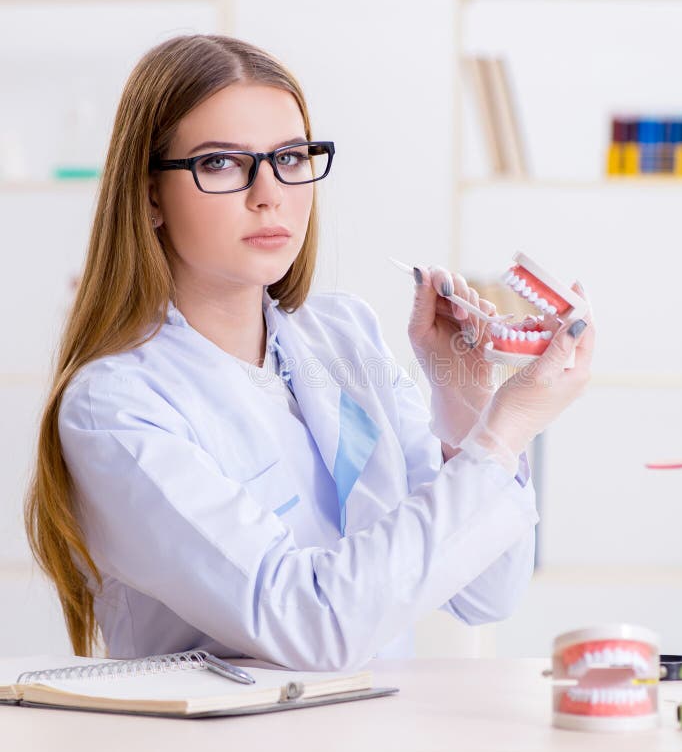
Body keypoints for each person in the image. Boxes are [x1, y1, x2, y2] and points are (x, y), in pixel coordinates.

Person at [25, 35, 595, 669]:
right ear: (151, 194)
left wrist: (467, 398)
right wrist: (510, 430)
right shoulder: (116, 407)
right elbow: (311, 625)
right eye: (220, 163)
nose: (269, 193)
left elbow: (486, 591)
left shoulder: (342, 335)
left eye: (290, 158)